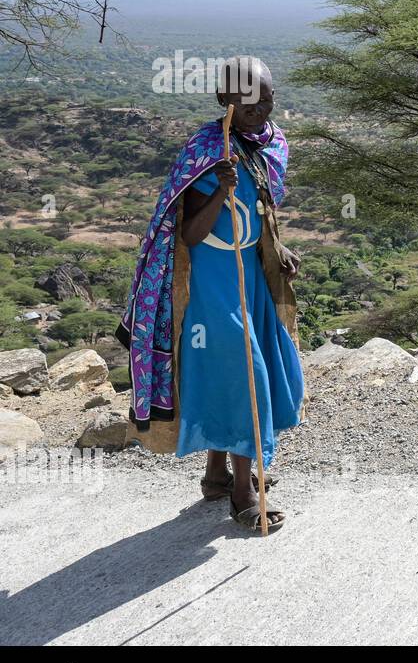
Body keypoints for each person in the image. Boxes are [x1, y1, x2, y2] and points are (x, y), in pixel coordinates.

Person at [118, 56, 304, 532]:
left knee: (236, 375)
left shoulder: (270, 143)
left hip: (250, 274)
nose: (258, 108)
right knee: (246, 378)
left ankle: (216, 475)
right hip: (211, 283)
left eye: (266, 97)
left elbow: (260, 211)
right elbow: (191, 236)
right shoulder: (207, 151)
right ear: (224, 101)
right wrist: (220, 188)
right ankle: (243, 495)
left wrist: (277, 247)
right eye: (247, 101)